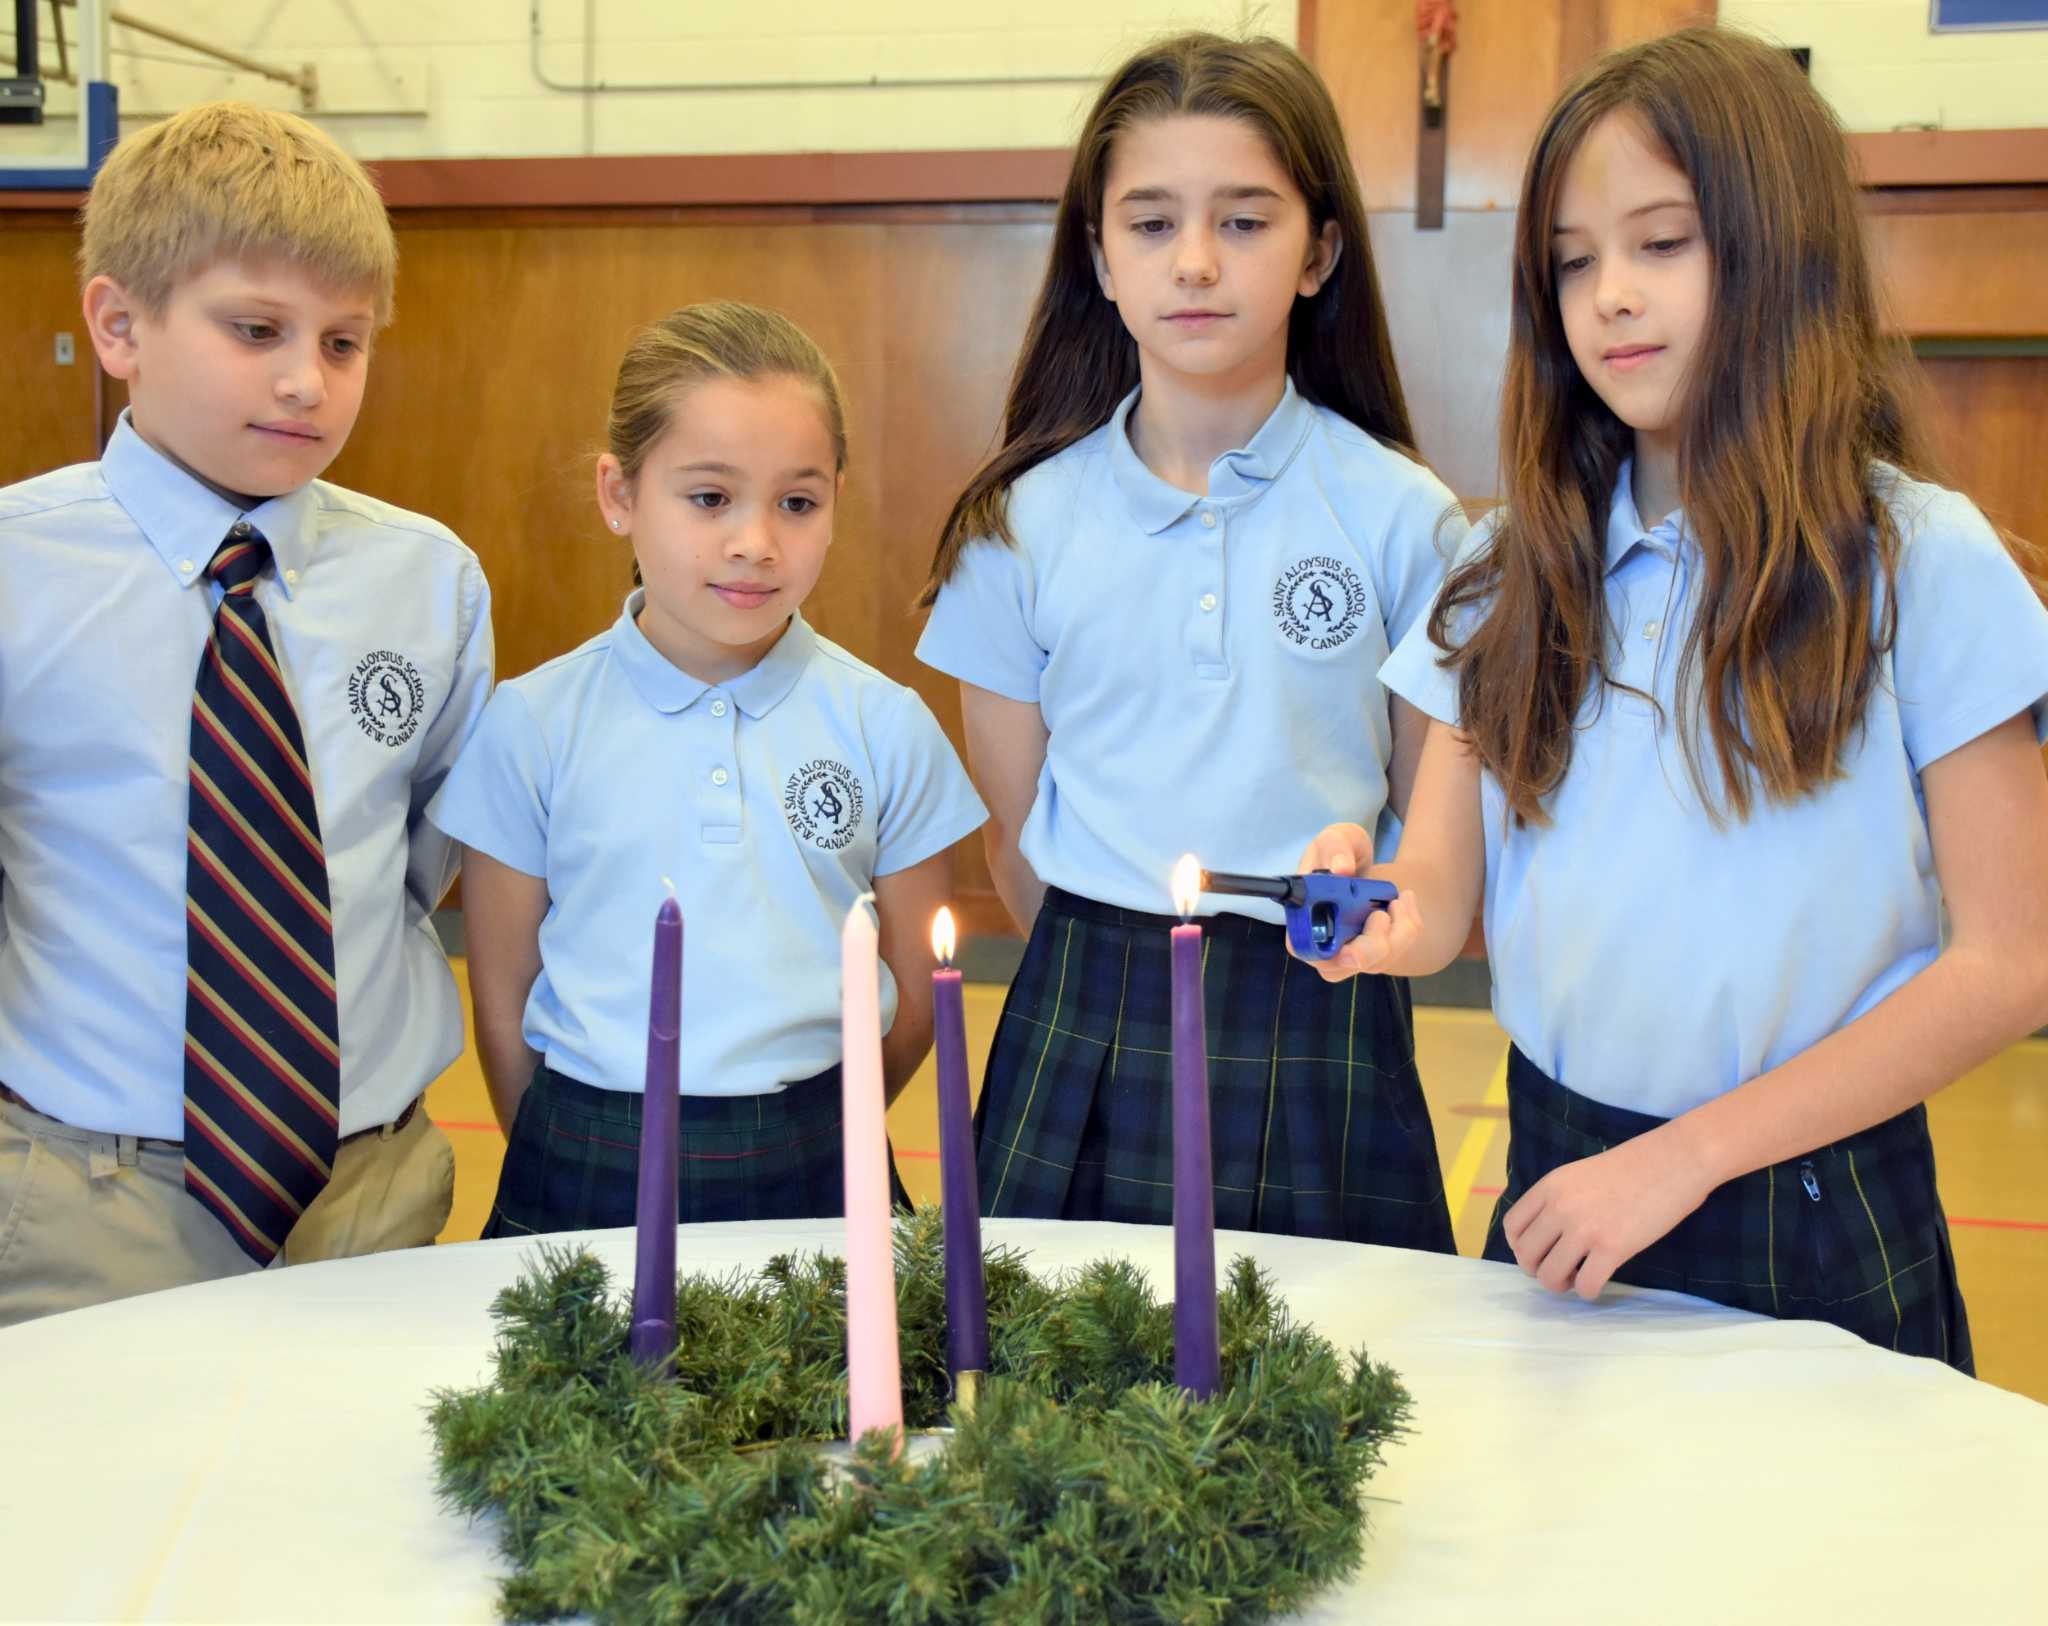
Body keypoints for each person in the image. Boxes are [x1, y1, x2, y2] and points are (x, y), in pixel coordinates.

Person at [1304, 27, 2048, 1370]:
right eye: (1575, 260)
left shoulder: (1925, 564)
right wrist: (1369, 906)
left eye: (1663, 242)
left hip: (1808, 1187)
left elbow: (2013, 961)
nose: (1610, 297)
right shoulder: (1503, 570)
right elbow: (1441, 894)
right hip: (1568, 1178)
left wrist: (1690, 1157)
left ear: (1778, 251)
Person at [917, 33, 1462, 1249]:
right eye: (1151, 223)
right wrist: (1107, 961)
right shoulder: (1016, 525)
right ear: (1098, 259)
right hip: (1084, 1004)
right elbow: (1015, 841)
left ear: (1317, 251)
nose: (1197, 262)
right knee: (1052, 1401)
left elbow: (1432, 832)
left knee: (1325, 1396)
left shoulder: (1401, 514)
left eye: (1245, 220)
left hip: (1318, 1006)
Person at [0, 102, 495, 1323]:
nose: (305, 380)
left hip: (369, 1189)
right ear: (118, 325)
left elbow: (420, 858)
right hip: (91, 1194)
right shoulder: (18, 570)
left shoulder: (428, 580)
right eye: (256, 329)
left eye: (344, 342)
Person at [432, 301, 984, 1235]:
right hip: (585, 1150)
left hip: (819, 1147)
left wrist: (820, 1122)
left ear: (836, 498)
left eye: (797, 503)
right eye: (709, 498)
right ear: (619, 495)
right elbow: (502, 996)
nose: (756, 543)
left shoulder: (884, 723)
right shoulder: (532, 723)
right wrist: (568, 1144)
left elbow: (913, 992)